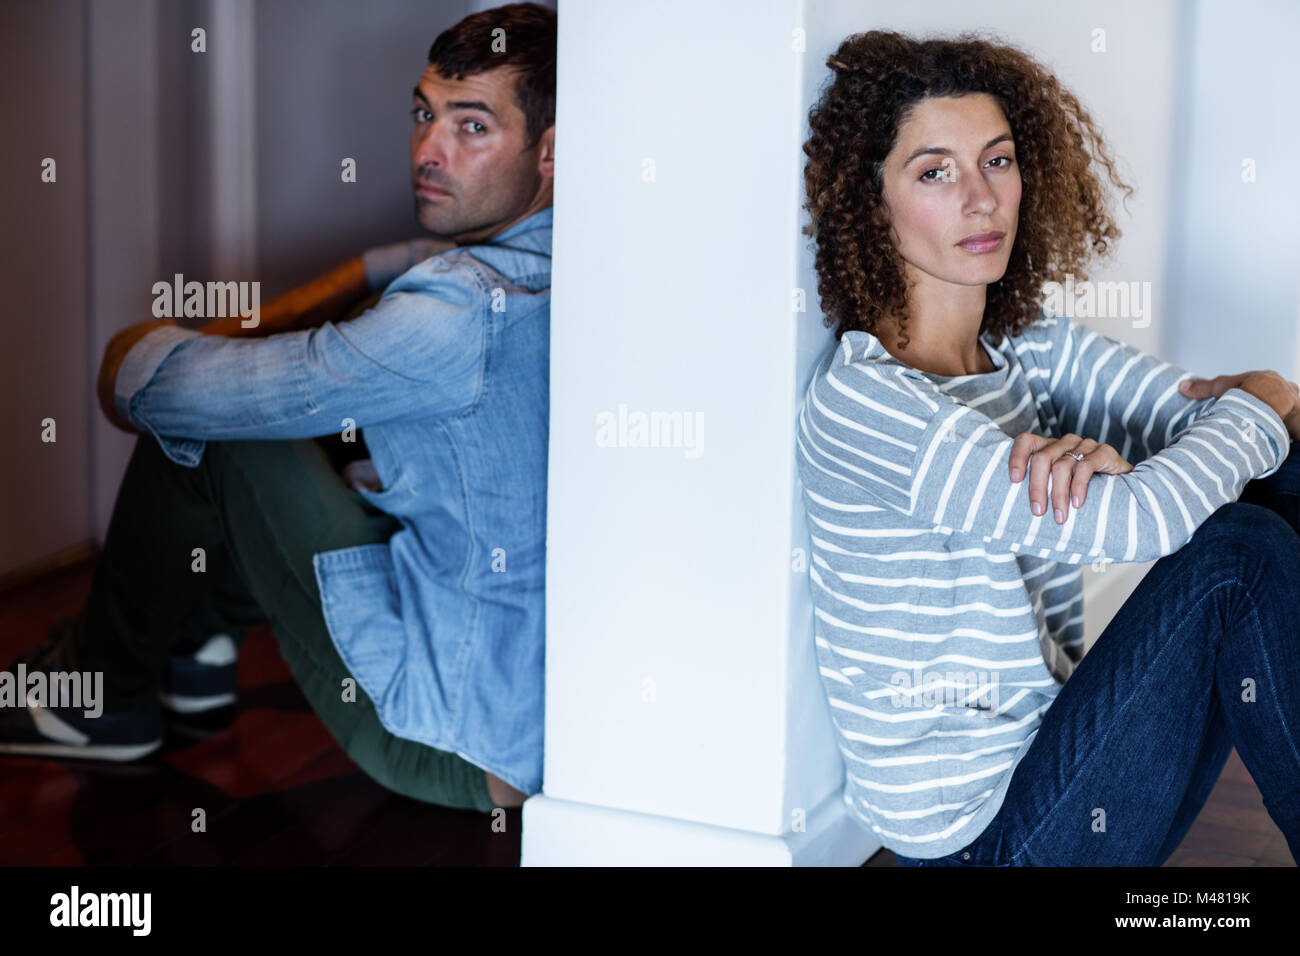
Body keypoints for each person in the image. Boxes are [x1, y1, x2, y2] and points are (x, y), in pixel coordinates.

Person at [0, 2, 557, 815]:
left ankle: (102, 696)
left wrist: (147, 342)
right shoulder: (580, 262)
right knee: (328, 441)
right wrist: (363, 270)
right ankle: (196, 651)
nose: (428, 151)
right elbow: (423, 263)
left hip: (444, 740)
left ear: (551, 152)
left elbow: (138, 385)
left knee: (206, 425)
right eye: (423, 114)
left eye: (472, 127)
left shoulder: (450, 318)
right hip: (525, 721)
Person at [796, 29, 1300, 865]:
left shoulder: (1023, 345)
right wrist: (1265, 400)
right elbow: (1144, 521)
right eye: (934, 172)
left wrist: (1248, 419)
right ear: (869, 201)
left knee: (1279, 476)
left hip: (1062, 762)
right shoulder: (868, 404)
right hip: (985, 838)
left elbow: (1190, 417)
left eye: (997, 160)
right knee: (1238, 548)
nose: (981, 198)